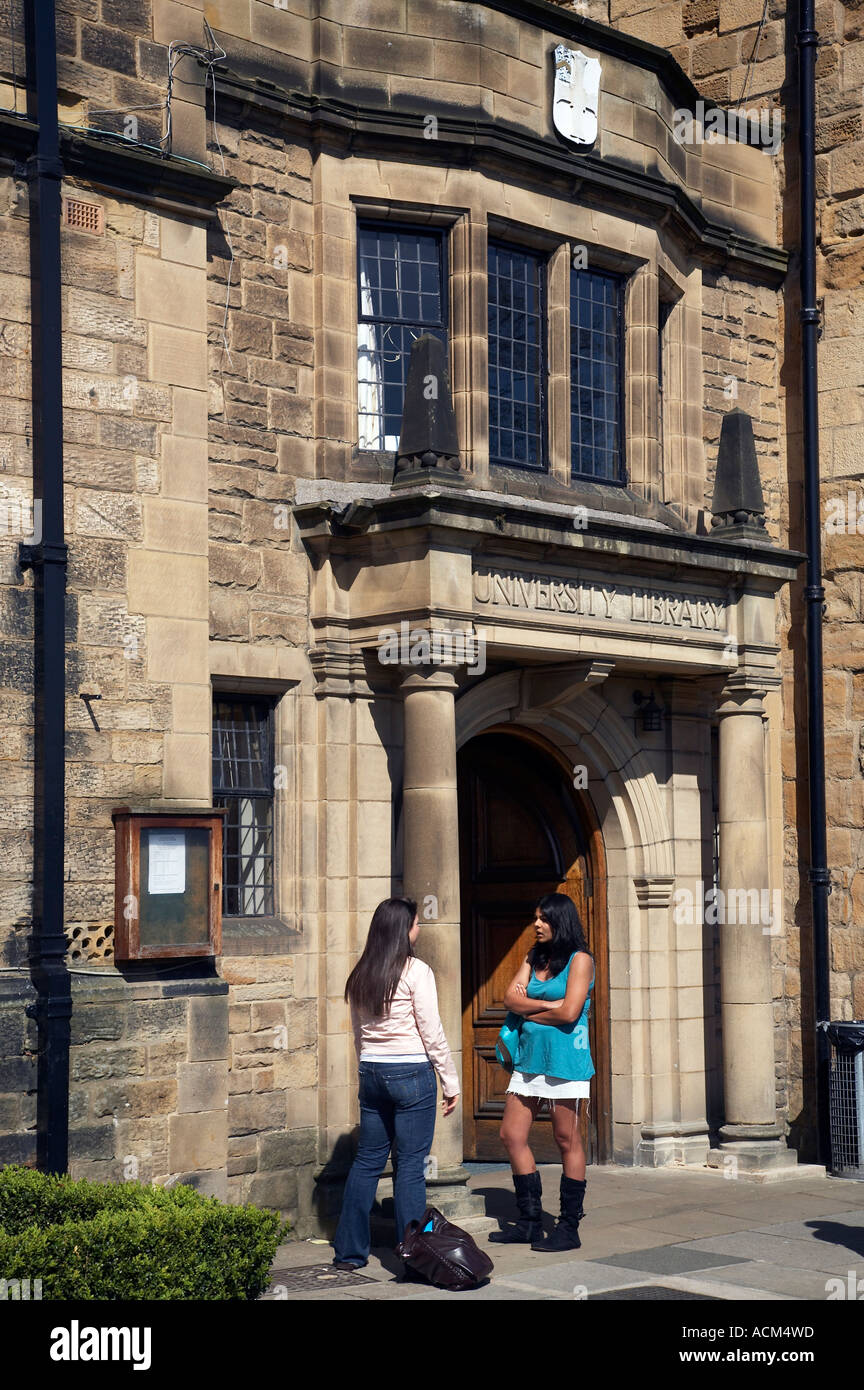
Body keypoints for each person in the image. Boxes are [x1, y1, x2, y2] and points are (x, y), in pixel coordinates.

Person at [332, 896, 460, 1271]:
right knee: (409, 1166)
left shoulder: (361, 973)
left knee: (367, 1161)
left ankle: (349, 1254)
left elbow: (358, 1034)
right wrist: (449, 1081)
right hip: (411, 1074)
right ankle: (412, 1258)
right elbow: (431, 1032)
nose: (419, 930)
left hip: (372, 1072)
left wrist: (368, 1068)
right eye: (416, 924)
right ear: (403, 930)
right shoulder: (416, 971)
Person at [490, 892, 595, 1252]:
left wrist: (529, 1009)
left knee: (567, 1139)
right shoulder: (533, 957)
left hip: (566, 1062)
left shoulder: (581, 960)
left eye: (543, 919)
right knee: (511, 1134)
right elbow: (509, 999)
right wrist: (548, 1004)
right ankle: (530, 1222)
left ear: (560, 921)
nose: (536, 924)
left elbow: (570, 1014)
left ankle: (568, 1227)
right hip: (529, 1060)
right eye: (536, 917)